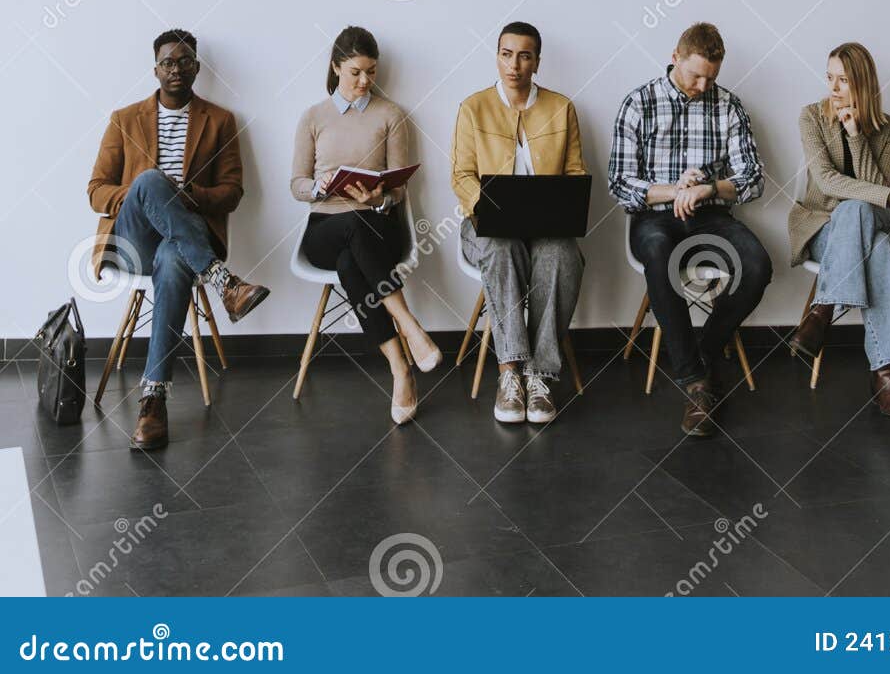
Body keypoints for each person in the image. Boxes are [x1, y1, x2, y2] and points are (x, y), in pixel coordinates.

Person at [88, 30, 269, 452]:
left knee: (172, 261)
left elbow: (232, 192)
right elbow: (96, 189)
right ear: (155, 69)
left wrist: (190, 196)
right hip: (134, 239)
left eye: (184, 61)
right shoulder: (124, 118)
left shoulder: (220, 120)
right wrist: (145, 193)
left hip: (183, 242)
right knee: (150, 180)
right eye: (168, 62)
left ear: (197, 68)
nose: (176, 69)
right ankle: (225, 282)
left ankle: (153, 400)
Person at [609, 22, 770, 438]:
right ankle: (696, 383)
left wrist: (707, 189)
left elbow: (753, 178)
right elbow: (620, 184)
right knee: (660, 254)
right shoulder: (638, 103)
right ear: (675, 57)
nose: (702, 85)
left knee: (757, 265)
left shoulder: (730, 107)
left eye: (711, 77)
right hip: (655, 218)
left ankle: (702, 351)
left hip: (711, 215)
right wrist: (671, 191)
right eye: (695, 74)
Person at [291, 26, 442, 425]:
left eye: (371, 72)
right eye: (356, 72)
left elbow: (399, 186)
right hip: (325, 225)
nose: (365, 81)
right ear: (337, 66)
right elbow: (296, 185)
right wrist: (318, 187)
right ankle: (410, 327)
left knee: (350, 259)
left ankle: (399, 368)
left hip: (377, 225)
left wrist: (379, 199)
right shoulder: (313, 117)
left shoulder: (391, 114)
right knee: (347, 238)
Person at [451, 22, 587, 426]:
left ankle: (539, 375)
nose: (515, 65)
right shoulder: (473, 107)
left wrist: (561, 210)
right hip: (487, 228)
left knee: (562, 252)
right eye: (507, 54)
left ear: (537, 62)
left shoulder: (561, 108)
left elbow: (576, 174)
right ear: (497, 56)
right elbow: (461, 176)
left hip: (545, 227)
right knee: (501, 245)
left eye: (524, 55)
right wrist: (491, 210)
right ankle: (510, 371)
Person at [788, 42, 890, 419]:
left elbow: (871, 192)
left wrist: (855, 136)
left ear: (862, 84)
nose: (833, 88)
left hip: (871, 219)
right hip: (823, 226)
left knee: (859, 209)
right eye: (829, 78)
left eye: (843, 80)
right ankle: (885, 375)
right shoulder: (811, 117)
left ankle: (822, 311)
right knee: (878, 247)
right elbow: (827, 181)